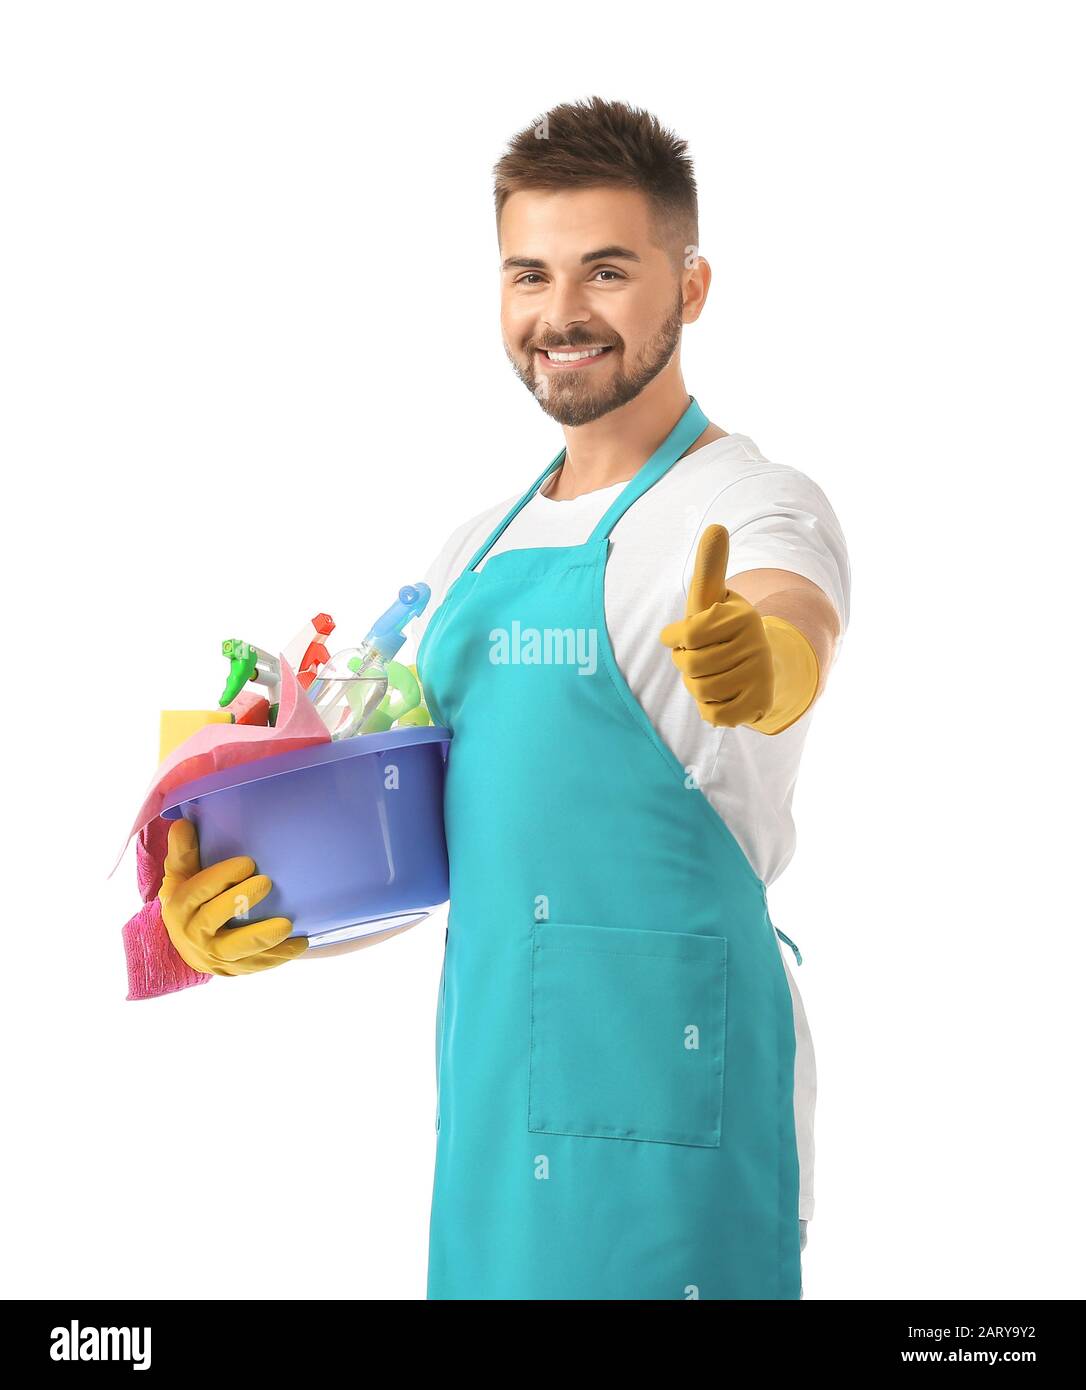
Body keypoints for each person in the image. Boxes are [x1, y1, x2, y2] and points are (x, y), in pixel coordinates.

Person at [146, 96, 850, 1300]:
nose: (560, 313)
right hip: (492, 1127)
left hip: (683, 1129)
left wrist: (765, 663)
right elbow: (401, 832)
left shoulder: (748, 502)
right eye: (530, 273)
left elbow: (795, 613)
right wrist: (250, 913)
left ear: (692, 286)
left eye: (608, 271)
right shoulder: (471, 555)